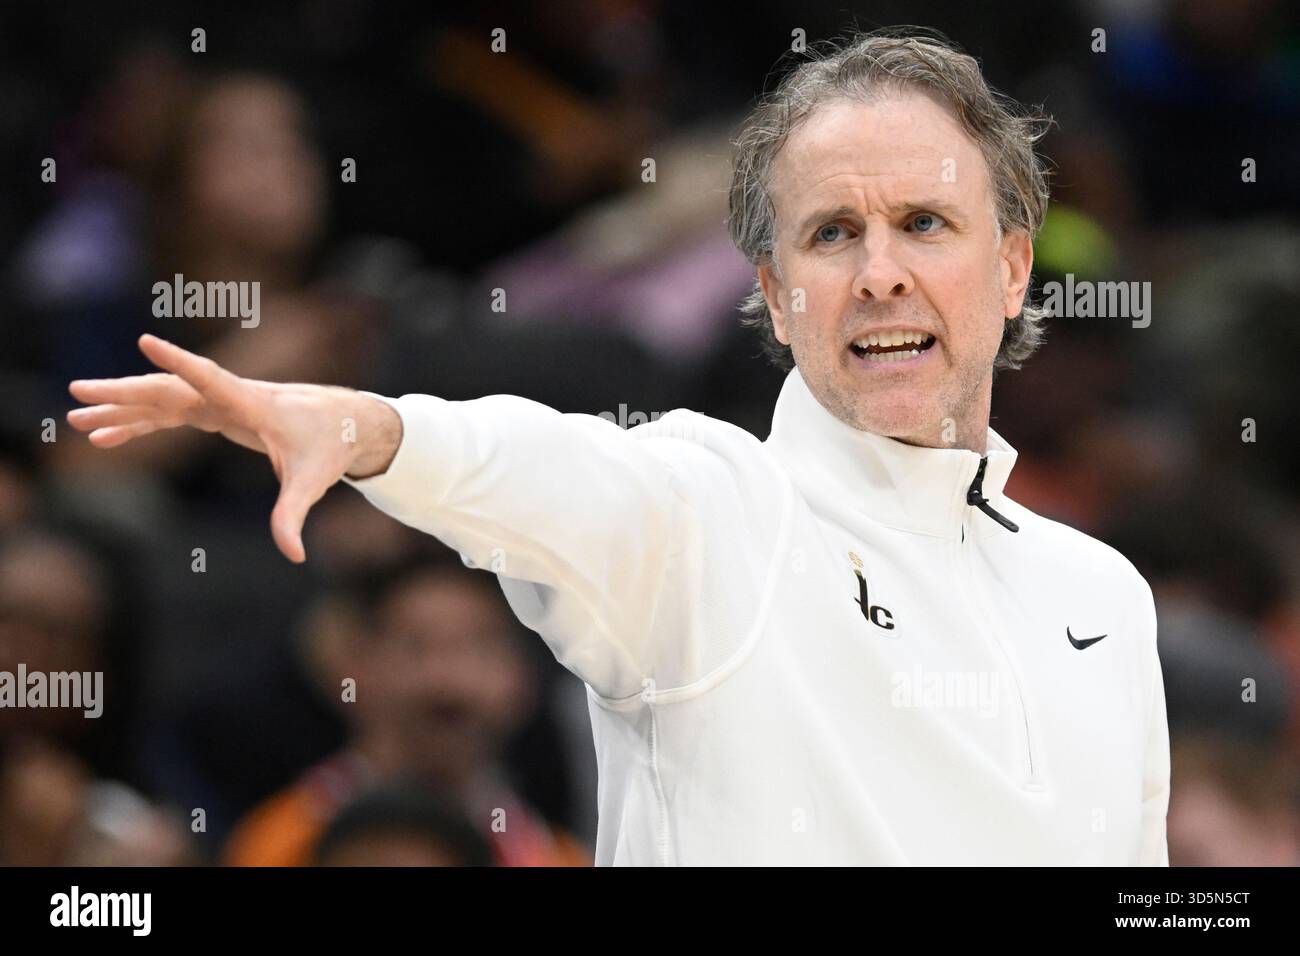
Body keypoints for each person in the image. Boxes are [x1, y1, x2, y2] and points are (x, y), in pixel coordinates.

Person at [65, 28, 1169, 865]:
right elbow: (538, 466)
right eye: (832, 233)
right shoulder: (712, 508)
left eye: (923, 223)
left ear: (1014, 266)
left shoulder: (1103, 595)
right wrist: (370, 428)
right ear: (777, 296)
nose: (878, 270)